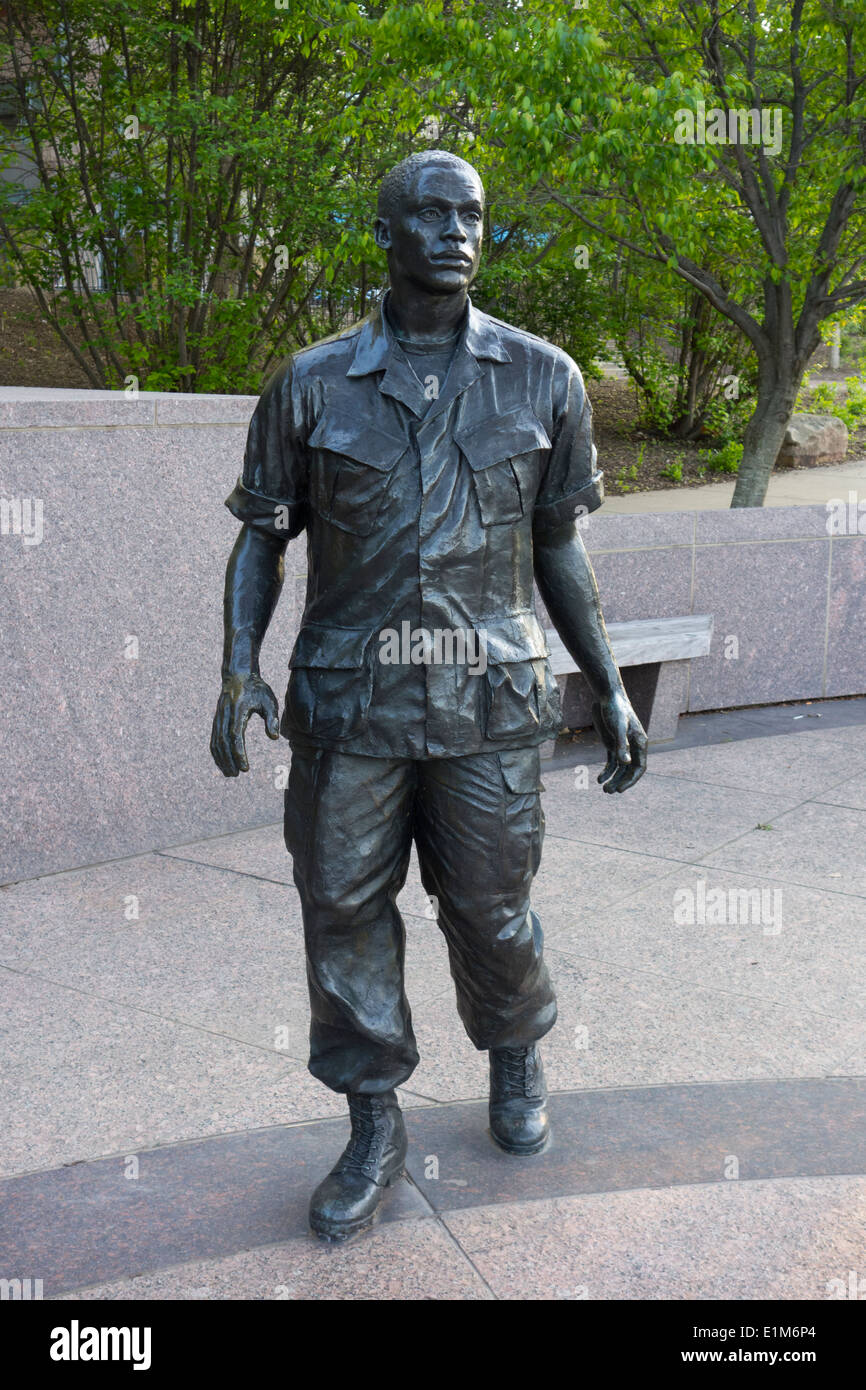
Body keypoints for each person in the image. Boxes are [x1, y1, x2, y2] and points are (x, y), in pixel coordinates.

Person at [211, 150, 647, 1242]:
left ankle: (514, 1054)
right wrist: (235, 667)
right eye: (431, 213)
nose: (456, 231)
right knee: (341, 909)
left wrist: (607, 681)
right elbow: (259, 540)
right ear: (385, 234)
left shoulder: (543, 376)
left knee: (492, 909)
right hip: (349, 709)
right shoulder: (309, 383)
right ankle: (372, 1124)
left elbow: (560, 548)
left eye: (473, 215)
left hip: (487, 705)